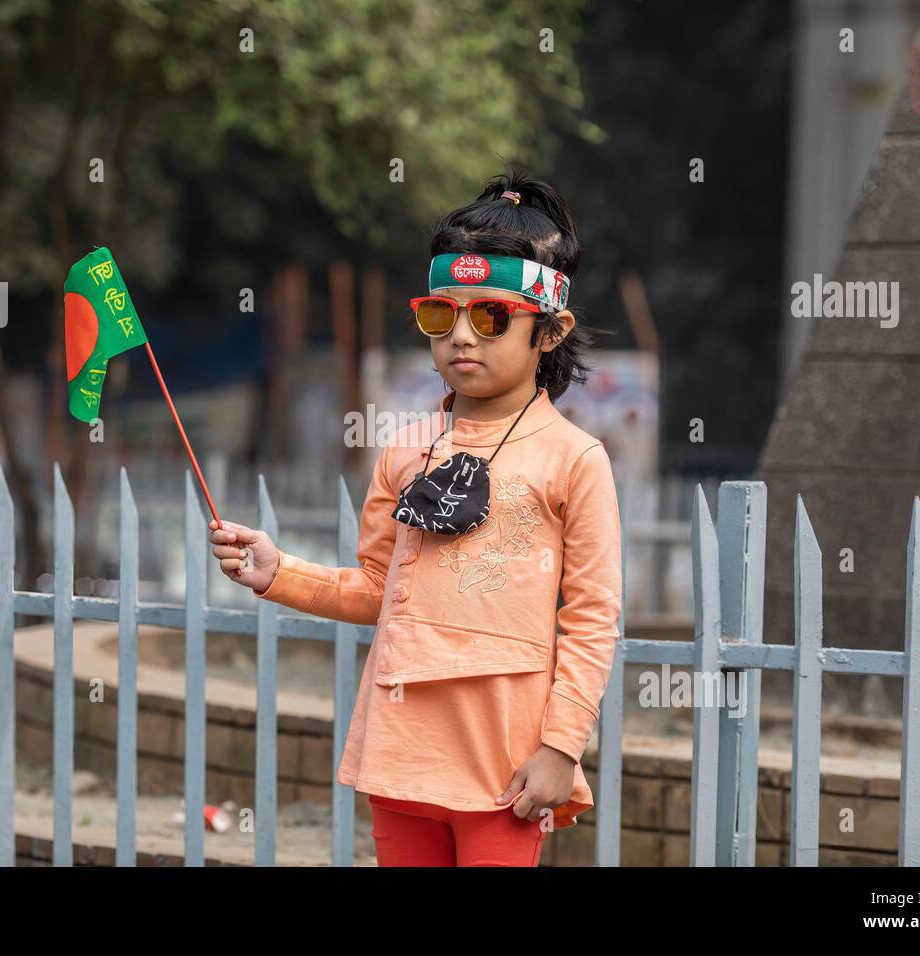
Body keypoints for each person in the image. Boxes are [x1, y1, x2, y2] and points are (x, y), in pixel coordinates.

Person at [209, 171, 621, 867]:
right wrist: (282, 573)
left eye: (490, 317)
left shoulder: (575, 459)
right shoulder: (405, 448)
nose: (461, 337)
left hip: (505, 766)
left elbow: (590, 620)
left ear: (550, 331)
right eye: (440, 315)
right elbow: (378, 588)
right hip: (399, 756)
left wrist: (560, 748)